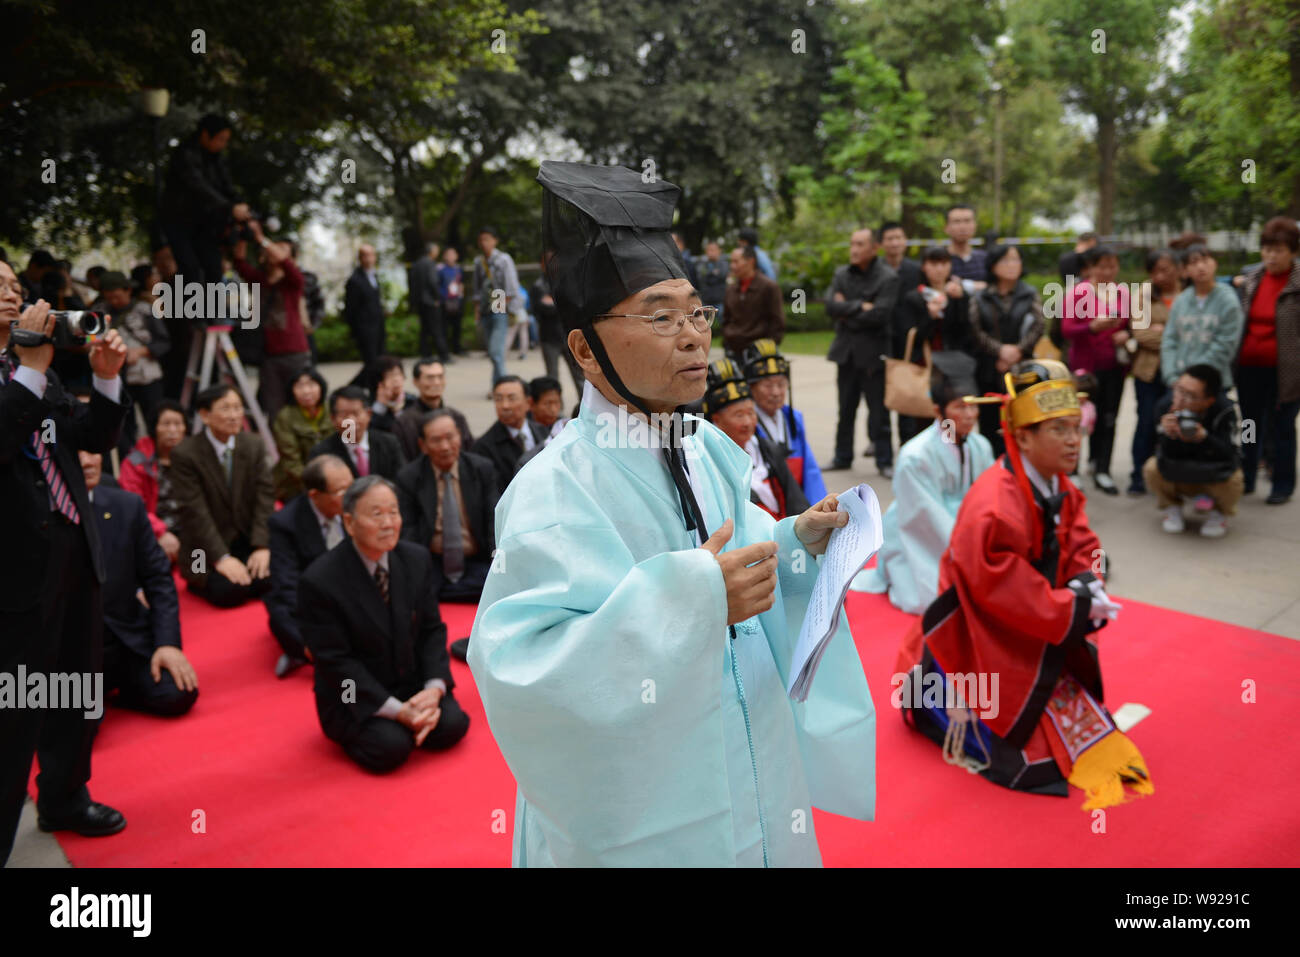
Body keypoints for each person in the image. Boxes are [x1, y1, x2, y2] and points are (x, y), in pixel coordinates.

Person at [469, 160, 874, 867]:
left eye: (695, 311)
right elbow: (522, 671)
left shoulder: (708, 444)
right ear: (585, 351)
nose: (693, 336)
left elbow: (741, 557)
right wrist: (693, 600)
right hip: (652, 801)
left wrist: (796, 541)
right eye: (660, 316)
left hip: (751, 746)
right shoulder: (554, 490)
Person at [898, 359, 1152, 810]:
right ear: (1024, 436)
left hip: (1032, 622)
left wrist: (1086, 583)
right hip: (981, 630)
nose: (1074, 440)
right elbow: (1001, 586)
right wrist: (1071, 607)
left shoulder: (1057, 485)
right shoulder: (995, 504)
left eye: (1076, 427)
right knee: (1029, 753)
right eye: (1058, 429)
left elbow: (1081, 541)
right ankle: (930, 701)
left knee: (1086, 727)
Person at [1, 271, 133, 861]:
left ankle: (64, 795)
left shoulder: (36, 367)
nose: (14, 293)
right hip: (12, 566)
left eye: (13, 283)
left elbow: (86, 437)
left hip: (71, 546)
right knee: (14, 709)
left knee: (76, 682)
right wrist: (29, 366)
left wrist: (105, 381)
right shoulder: (28, 366)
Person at [299, 476, 469, 773]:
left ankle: (417, 716)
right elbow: (335, 662)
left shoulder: (415, 559)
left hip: (409, 680)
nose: (389, 523)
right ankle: (400, 721)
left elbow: (431, 629)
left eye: (394, 512)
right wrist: (397, 710)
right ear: (349, 523)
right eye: (377, 514)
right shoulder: (320, 581)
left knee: (452, 726)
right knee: (391, 748)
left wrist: (433, 689)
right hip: (354, 692)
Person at [854, 352, 994, 614]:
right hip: (920, 534)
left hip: (967, 531)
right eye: (959, 407)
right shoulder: (915, 456)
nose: (969, 414)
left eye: (972, 406)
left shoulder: (980, 446)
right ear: (938, 410)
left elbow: (989, 499)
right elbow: (926, 515)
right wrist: (968, 548)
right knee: (935, 599)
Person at [81, 451, 198, 716]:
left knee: (178, 693)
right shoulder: (39, 516)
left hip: (127, 638)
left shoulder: (126, 506)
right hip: (73, 655)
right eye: (77, 453)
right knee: (77, 731)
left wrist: (167, 644)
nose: (88, 461)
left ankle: (121, 689)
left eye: (92, 451)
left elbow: (158, 579)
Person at [171, 383, 275, 607]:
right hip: (202, 545)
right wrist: (221, 558)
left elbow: (265, 498)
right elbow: (194, 512)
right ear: (205, 415)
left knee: (271, 577)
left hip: (244, 536)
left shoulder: (253, 444)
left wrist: (262, 546)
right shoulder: (185, 454)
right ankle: (198, 578)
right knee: (226, 590)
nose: (234, 415)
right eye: (226, 409)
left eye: (238, 408)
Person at [396, 409, 499, 609]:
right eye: (436, 440)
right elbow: (408, 532)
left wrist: (498, 565)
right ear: (423, 446)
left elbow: (493, 522)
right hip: (433, 562)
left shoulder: (482, 469)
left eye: (450, 437)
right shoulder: (409, 478)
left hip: (477, 560)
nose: (444, 447)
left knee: (500, 585)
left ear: (460, 436)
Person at [264, 454, 353, 678]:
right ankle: (305, 650)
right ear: (315, 495)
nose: (351, 496)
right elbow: (286, 583)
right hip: (315, 597)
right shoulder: (285, 523)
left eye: (352, 486)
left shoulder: (357, 506)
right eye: (342, 491)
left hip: (356, 588)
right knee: (279, 610)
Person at [158, 114, 248, 329]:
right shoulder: (184, 155)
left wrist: (240, 204)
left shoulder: (217, 159)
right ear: (205, 135)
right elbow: (198, 186)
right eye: (221, 139)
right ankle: (193, 315)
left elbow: (226, 186)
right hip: (179, 222)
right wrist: (229, 207)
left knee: (214, 267)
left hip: (206, 224)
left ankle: (214, 313)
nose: (223, 144)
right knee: (190, 268)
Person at [825, 227, 900, 476]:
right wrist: (860, 306)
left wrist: (847, 311)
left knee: (879, 412)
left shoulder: (887, 277)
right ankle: (842, 456)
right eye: (852, 244)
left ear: (873, 248)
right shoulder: (841, 274)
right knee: (845, 409)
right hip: (846, 354)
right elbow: (830, 306)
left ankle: (884, 460)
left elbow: (881, 315)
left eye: (860, 244)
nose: (854, 250)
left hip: (874, 355)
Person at [1235, 216, 1300, 504]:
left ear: (1293, 252)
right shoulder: (1251, 279)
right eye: (1267, 249)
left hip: (1286, 372)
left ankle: (1282, 484)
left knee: (1283, 426)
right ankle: (1246, 476)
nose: (1271, 256)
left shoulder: (1297, 284)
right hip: (1249, 367)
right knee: (1249, 423)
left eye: (1279, 250)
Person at [700, 358, 809, 519]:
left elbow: (796, 502)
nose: (747, 422)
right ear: (717, 420)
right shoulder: (708, 459)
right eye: (739, 415)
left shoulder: (767, 449)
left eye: (751, 413)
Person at [1061, 245, 1130, 493]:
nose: (1108, 271)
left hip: (1114, 367)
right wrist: (1093, 327)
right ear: (1090, 268)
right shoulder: (1078, 293)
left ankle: (1102, 468)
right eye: (1103, 266)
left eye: (1113, 266)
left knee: (1109, 418)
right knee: (1078, 419)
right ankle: (1073, 469)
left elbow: (1131, 324)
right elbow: (1066, 329)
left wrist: (1126, 335)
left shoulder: (1122, 293)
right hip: (1084, 369)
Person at [1145, 364, 1243, 537]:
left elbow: (1233, 454)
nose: (1180, 398)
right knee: (1152, 467)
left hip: (1212, 473)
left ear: (1209, 400)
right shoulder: (1165, 406)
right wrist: (1168, 434)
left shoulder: (1226, 410)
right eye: (1179, 390)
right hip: (1179, 470)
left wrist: (1205, 438)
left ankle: (1218, 513)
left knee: (1235, 478)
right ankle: (1172, 507)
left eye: (1190, 395)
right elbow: (1161, 453)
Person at [892, 246, 975, 445]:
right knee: (920, 416)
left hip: (952, 368)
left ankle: (952, 454)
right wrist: (929, 317)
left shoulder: (958, 295)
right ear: (925, 267)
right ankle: (916, 457)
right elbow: (910, 337)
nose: (939, 269)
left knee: (951, 415)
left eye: (944, 263)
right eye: (934, 264)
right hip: (925, 367)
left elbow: (966, 332)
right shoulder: (914, 297)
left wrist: (960, 301)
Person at [969, 244, 1045, 458]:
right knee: (990, 423)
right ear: (993, 265)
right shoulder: (981, 296)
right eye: (1006, 260)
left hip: (1022, 369)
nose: (1012, 265)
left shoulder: (1029, 294)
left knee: (1022, 422)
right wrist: (1000, 351)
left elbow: (1039, 325)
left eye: (1016, 260)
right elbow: (975, 330)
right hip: (989, 367)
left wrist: (1017, 351)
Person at [232, 220, 310, 422]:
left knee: (303, 403)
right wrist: (244, 234)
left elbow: (284, 262)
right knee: (274, 408)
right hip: (269, 357)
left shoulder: (293, 281)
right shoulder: (259, 280)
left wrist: (260, 238)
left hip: (296, 354)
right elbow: (239, 263)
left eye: (281, 250)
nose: (274, 252)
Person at [741, 339, 827, 503]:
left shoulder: (794, 418)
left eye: (781, 384)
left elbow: (810, 471)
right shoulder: (745, 425)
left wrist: (818, 506)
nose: (776, 392)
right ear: (751, 388)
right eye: (767, 385)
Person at [94, 271, 170, 448]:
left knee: (155, 418)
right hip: (117, 377)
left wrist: (142, 351)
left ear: (128, 290)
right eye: (109, 297)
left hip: (146, 375)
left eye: (117, 296)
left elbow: (164, 342)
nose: (113, 301)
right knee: (122, 425)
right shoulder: (99, 313)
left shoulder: (145, 311)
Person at [1161, 245, 1244, 398]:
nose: (1200, 266)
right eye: (1193, 263)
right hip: (1179, 382)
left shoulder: (1228, 299)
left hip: (1214, 382)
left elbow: (1226, 343)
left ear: (1214, 263)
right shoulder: (1181, 301)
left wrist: (1196, 377)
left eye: (1205, 260)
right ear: (1185, 271)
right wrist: (1171, 377)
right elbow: (1169, 341)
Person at [1128, 249, 1179, 495]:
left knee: (1176, 426)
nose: (1160, 276)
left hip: (1181, 373)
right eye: (1154, 271)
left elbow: (1195, 334)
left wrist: (1163, 331)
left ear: (1177, 268)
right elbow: (1140, 333)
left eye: (1165, 269)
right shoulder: (1143, 294)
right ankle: (1138, 476)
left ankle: (1174, 477)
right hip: (1148, 371)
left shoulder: (1189, 294)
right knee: (1146, 424)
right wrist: (1175, 335)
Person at [120, 399, 189, 561]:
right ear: (154, 428)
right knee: (161, 575)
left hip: (191, 536)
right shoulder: (136, 461)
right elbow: (133, 506)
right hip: (152, 534)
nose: (172, 430)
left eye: (178, 424)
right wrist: (160, 532)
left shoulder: (195, 457)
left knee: (198, 572)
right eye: (166, 424)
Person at [309, 386, 405, 480]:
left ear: (368, 414)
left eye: (356, 413)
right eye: (344, 415)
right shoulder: (321, 453)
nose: (351, 421)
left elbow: (401, 481)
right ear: (333, 419)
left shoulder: (389, 443)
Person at [475, 374, 548, 492]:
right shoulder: (483, 448)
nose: (505, 406)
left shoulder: (545, 433)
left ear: (528, 403)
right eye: (498, 399)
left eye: (511, 398)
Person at [270, 365, 333, 501]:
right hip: (297, 484)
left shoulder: (334, 409)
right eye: (299, 386)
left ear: (321, 386)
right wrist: (317, 484)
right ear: (292, 391)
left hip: (334, 475)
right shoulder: (285, 416)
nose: (306, 391)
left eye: (311, 385)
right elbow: (291, 461)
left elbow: (349, 442)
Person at [393, 358, 474, 460]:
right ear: (415, 382)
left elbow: (469, 456)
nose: (436, 382)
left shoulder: (457, 417)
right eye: (430, 378)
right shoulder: (404, 422)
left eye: (440, 377)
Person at [472, 227, 521, 392]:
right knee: (494, 352)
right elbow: (476, 289)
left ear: (494, 240)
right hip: (486, 308)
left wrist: (500, 308)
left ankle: (502, 387)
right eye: (481, 240)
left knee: (495, 352)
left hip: (499, 306)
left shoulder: (503, 259)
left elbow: (511, 288)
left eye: (487, 239)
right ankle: (497, 386)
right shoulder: (479, 262)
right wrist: (477, 311)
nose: (484, 243)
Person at [533, 251, 585, 396]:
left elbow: (575, 305)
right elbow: (540, 309)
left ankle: (583, 406)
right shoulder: (538, 285)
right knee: (552, 377)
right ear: (542, 264)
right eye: (547, 261)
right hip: (549, 337)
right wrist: (560, 305)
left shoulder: (568, 283)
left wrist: (553, 303)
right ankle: (554, 407)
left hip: (568, 336)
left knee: (579, 375)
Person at [721, 245, 784, 356]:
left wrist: (769, 346)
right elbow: (726, 319)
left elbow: (777, 321)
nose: (732, 266)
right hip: (733, 351)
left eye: (736, 262)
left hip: (760, 353)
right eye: (731, 262)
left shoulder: (769, 287)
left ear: (750, 262)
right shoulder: (731, 289)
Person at [344, 244, 386, 368]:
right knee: (371, 362)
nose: (369, 259)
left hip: (378, 326)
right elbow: (351, 308)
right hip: (365, 329)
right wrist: (357, 331)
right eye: (365, 255)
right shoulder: (355, 280)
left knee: (380, 360)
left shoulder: (373, 275)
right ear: (360, 258)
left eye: (371, 255)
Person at [410, 241, 448, 362]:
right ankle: (443, 355)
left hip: (420, 301)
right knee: (437, 329)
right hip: (431, 301)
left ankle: (425, 354)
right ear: (432, 251)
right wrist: (437, 298)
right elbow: (433, 282)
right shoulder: (430, 264)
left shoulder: (416, 264)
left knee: (424, 330)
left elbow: (412, 284)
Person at [365, 355, 417, 434]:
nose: (396, 379)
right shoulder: (370, 405)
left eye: (398, 374)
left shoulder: (412, 401)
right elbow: (370, 432)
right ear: (379, 382)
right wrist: (381, 406)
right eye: (390, 375)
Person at [943, 204, 987, 291]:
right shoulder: (939, 260)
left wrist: (963, 285)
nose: (962, 227)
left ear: (975, 225)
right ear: (946, 228)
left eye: (967, 221)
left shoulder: (985, 259)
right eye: (956, 222)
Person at [438, 247, 466, 357]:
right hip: (445, 302)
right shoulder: (440, 270)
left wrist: (461, 294)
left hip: (457, 301)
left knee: (457, 327)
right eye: (448, 254)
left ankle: (457, 348)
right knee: (444, 327)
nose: (451, 257)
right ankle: (445, 350)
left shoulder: (459, 269)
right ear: (444, 256)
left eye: (453, 254)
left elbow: (461, 283)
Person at [698, 240, 729, 316]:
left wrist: (709, 274)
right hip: (706, 300)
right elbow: (701, 277)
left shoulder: (724, 264)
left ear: (719, 251)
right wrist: (713, 273)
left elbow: (722, 275)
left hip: (720, 299)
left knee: (724, 319)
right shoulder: (702, 264)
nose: (710, 252)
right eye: (708, 250)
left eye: (713, 250)